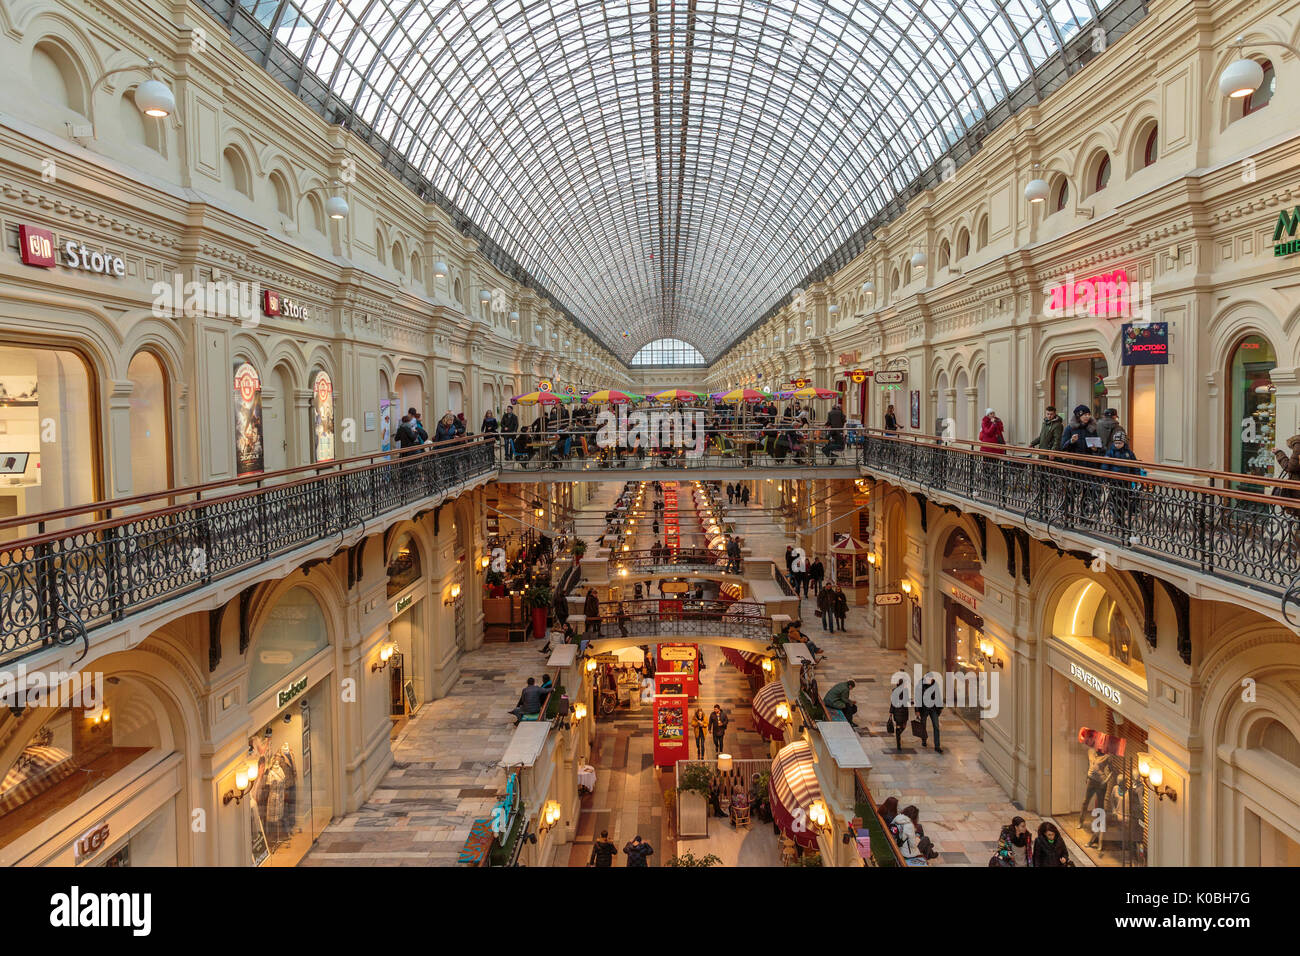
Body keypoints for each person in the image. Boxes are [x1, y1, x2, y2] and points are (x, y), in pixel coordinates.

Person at [1079, 747, 1113, 842]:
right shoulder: (1090, 751)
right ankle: (1081, 821)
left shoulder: (1107, 756)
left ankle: (1099, 827)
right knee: (1085, 801)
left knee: (1100, 805)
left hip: (1100, 782)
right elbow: (1089, 764)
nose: (1099, 748)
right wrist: (1087, 776)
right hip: (1091, 780)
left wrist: (1106, 781)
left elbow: (1111, 771)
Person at [917, 671, 943, 753]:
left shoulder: (935, 685)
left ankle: (937, 746)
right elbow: (917, 698)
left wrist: (940, 707)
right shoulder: (920, 685)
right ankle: (924, 740)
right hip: (924, 709)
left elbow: (938, 696)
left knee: (936, 726)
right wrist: (917, 710)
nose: (931, 681)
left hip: (933, 709)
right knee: (923, 725)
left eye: (932, 679)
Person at [887, 677, 912, 750]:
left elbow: (892, 703)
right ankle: (898, 738)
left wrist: (891, 712)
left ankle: (898, 739)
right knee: (903, 726)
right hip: (903, 712)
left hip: (897, 713)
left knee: (898, 726)